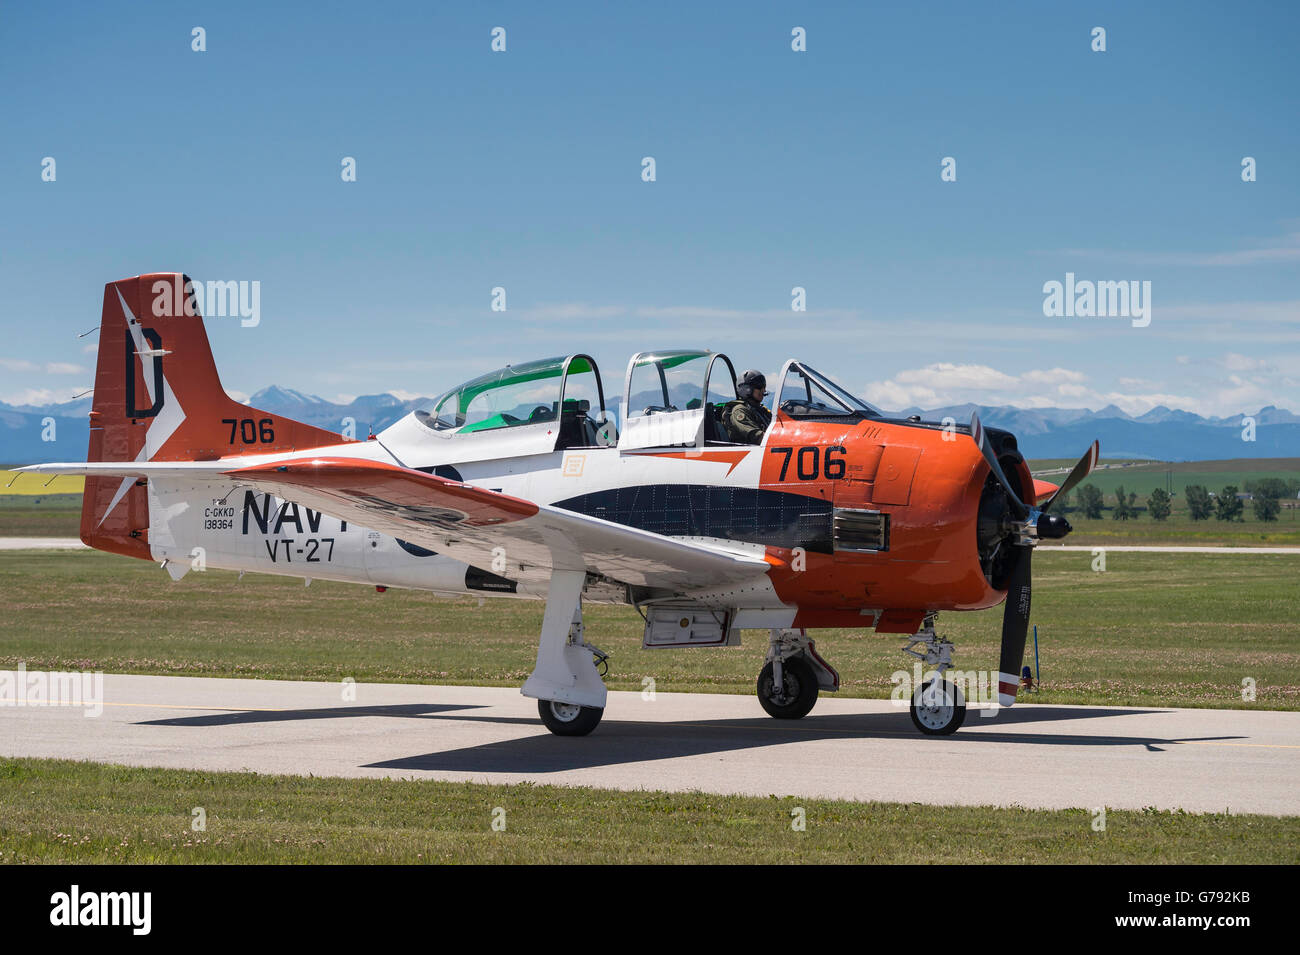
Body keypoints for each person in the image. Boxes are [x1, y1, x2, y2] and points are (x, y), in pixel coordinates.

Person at [723, 369, 772, 444]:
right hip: (746, 453)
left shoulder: (761, 410)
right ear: (746, 389)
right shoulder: (739, 410)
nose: (763, 390)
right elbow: (756, 436)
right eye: (759, 386)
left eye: (763, 386)